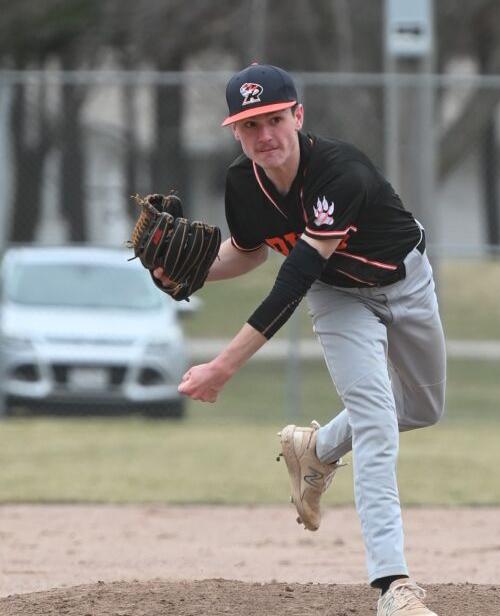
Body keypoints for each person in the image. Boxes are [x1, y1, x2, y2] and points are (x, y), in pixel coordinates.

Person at [167, 63, 446, 616]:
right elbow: (249, 250)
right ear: (235, 132)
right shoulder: (240, 184)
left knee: (421, 409)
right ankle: (394, 586)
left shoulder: (339, 172)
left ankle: (314, 448)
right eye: (249, 126)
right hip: (338, 298)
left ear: (298, 115)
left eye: (273, 119)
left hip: (407, 283)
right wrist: (186, 272)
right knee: (374, 424)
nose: (264, 135)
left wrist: (222, 365)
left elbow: (290, 279)